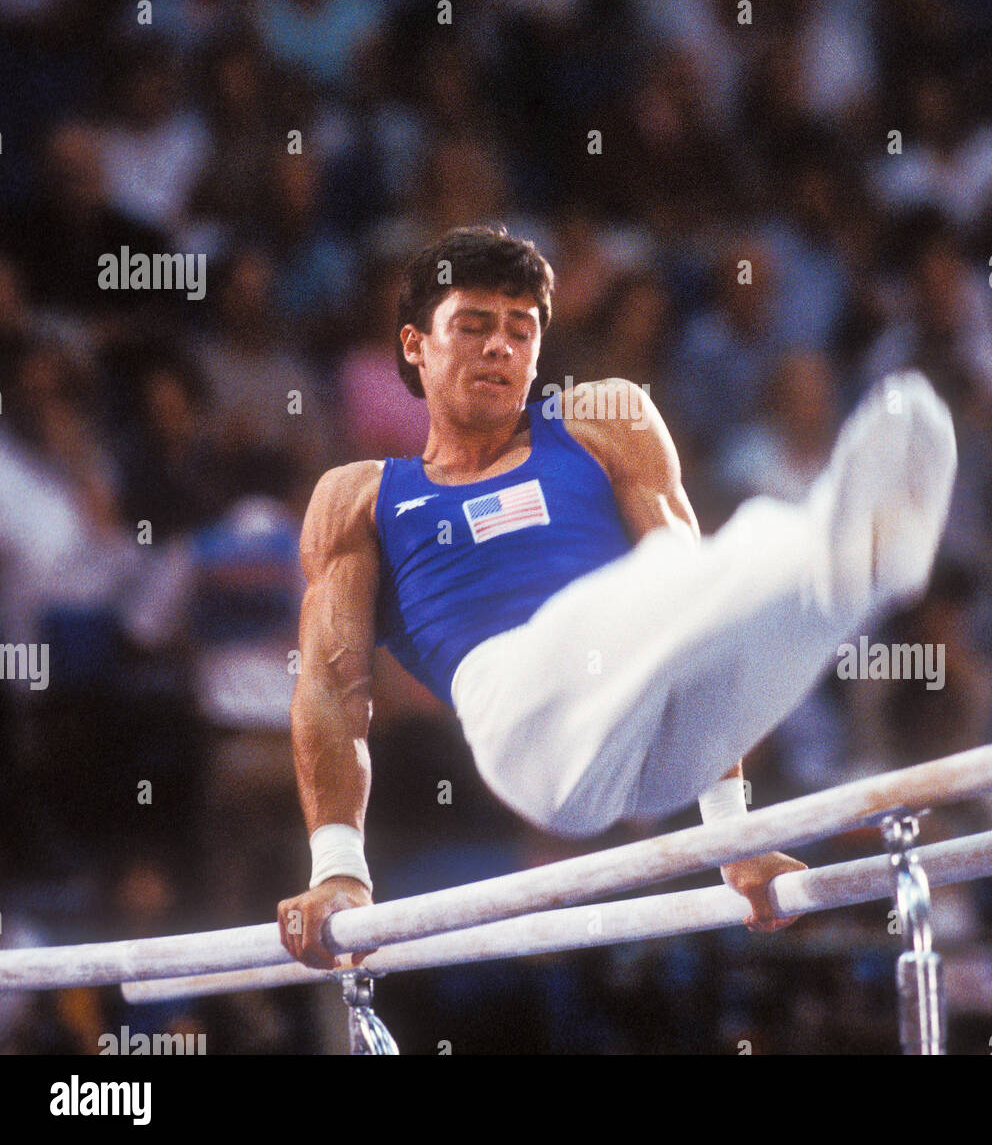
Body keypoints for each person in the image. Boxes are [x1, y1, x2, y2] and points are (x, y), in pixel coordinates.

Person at [278, 225, 957, 969]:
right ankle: (830, 542)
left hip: (663, 733)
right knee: (726, 560)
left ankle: (858, 568)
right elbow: (331, 688)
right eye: (472, 327)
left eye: (521, 329)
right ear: (414, 345)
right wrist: (338, 870)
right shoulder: (362, 498)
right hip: (526, 724)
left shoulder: (603, 419)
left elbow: (693, 604)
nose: (500, 347)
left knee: (731, 595)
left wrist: (734, 835)